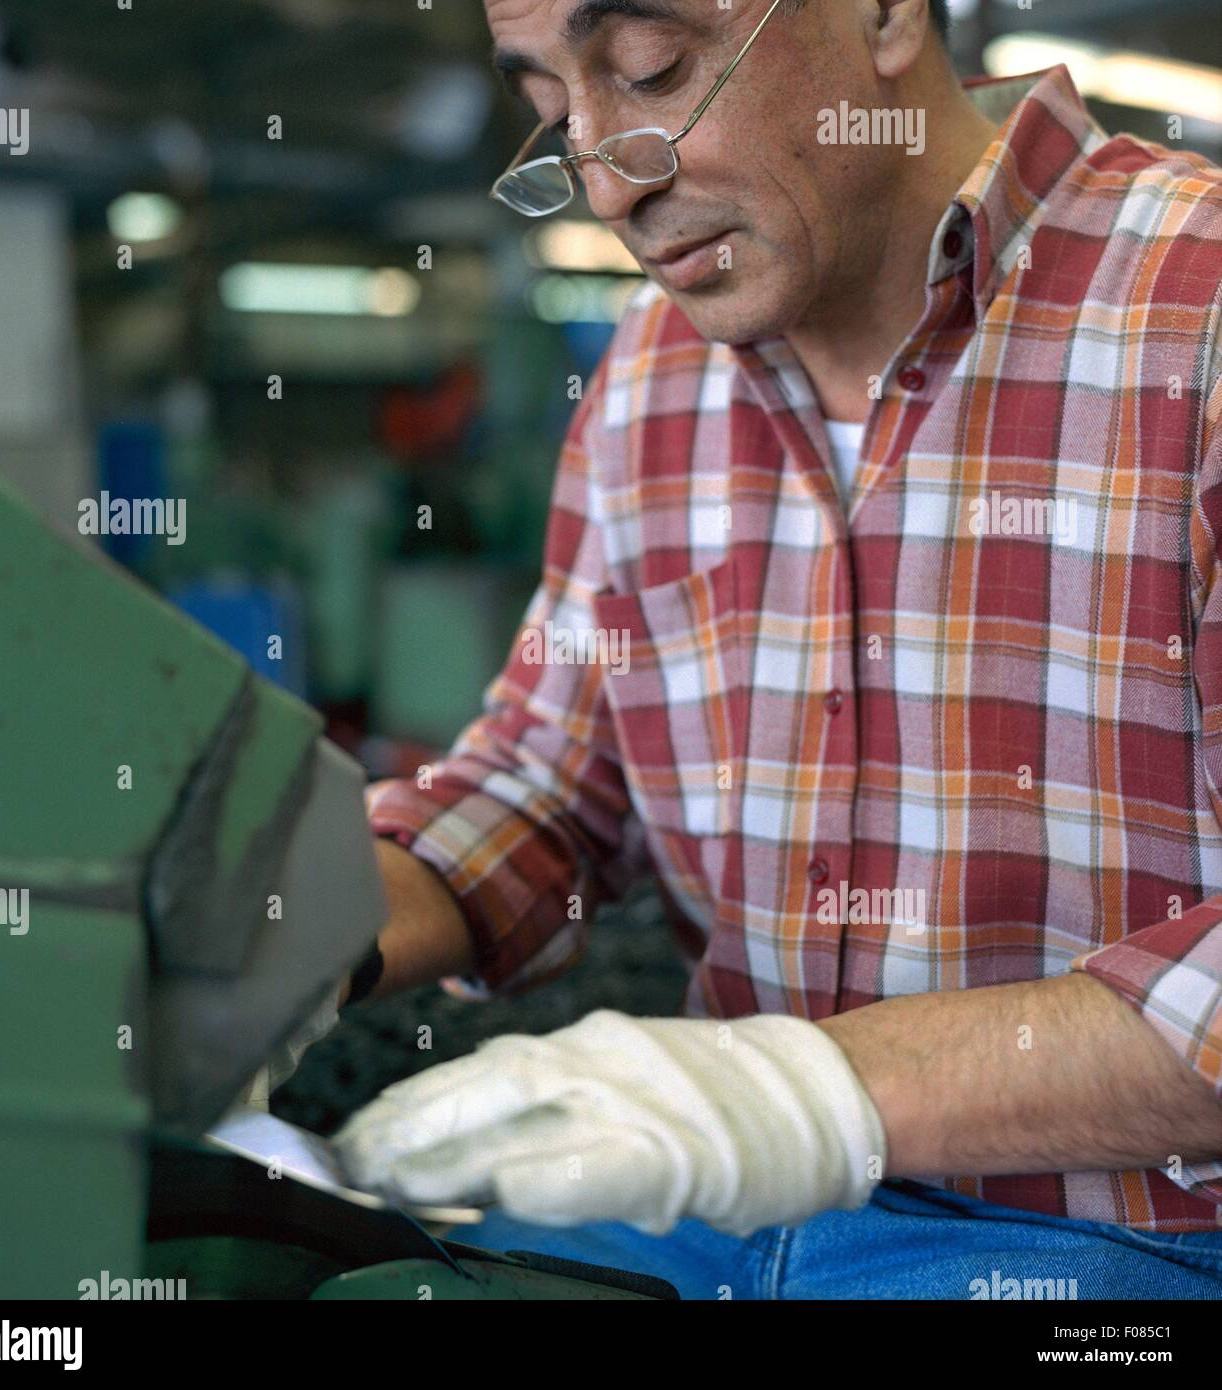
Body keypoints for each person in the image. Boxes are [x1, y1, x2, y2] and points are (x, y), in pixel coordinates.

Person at [334, 0, 1222, 1299]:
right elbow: (539, 787)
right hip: (722, 1214)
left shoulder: (1196, 323)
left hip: (1138, 1234)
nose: (604, 176)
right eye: (549, 107)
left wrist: (814, 1090)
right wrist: (298, 924)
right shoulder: (650, 380)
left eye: (653, 69)